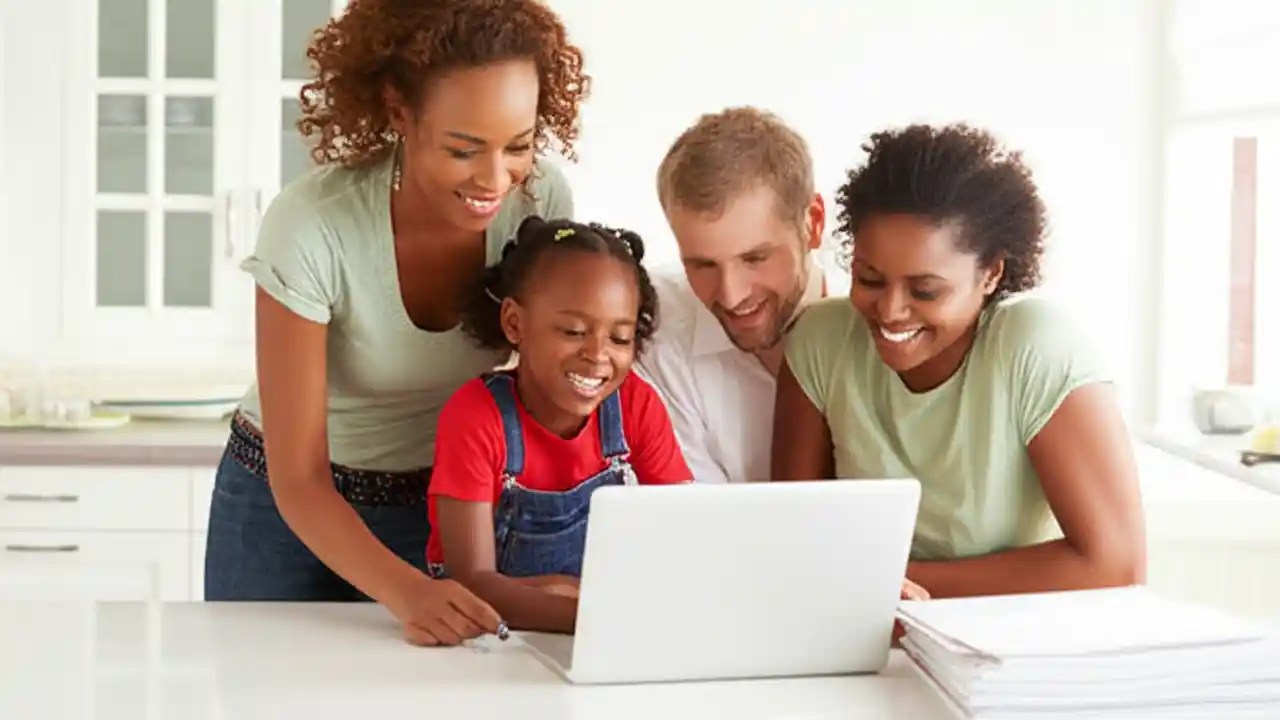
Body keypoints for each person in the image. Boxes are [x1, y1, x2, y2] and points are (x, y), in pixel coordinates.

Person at [203, 0, 588, 649]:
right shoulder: (313, 224)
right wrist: (404, 589)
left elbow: (540, 390)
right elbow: (298, 478)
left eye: (518, 146)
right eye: (465, 149)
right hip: (285, 509)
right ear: (399, 113)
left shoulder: (540, 200)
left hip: (438, 502)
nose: (496, 178)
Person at [773, 123, 1146, 598]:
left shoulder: (1034, 345)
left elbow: (1116, 564)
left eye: (925, 290)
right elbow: (790, 542)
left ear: (991, 274)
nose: (890, 310)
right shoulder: (820, 341)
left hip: (1017, 639)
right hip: (862, 638)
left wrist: (886, 583)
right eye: (869, 279)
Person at [427, 216, 693, 634]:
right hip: (490, 645)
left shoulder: (635, 405)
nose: (598, 356)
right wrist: (600, 616)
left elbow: (686, 536)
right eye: (573, 331)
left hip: (597, 633)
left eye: (620, 338)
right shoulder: (476, 417)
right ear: (515, 323)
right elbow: (472, 584)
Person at [635, 107, 827, 484]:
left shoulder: (883, 310)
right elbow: (701, 520)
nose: (731, 295)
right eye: (703, 265)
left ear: (813, 224)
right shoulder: (653, 329)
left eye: (755, 258)